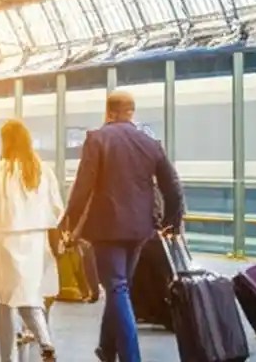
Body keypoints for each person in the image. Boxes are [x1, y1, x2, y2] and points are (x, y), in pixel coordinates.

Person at [60, 91, 183, 362]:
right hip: (141, 229)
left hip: (107, 228)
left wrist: (69, 222)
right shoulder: (150, 143)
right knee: (120, 286)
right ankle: (107, 348)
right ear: (132, 112)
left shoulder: (97, 138)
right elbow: (172, 187)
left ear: (109, 112)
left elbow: (83, 186)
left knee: (116, 287)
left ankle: (131, 357)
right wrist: (171, 221)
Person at [0, 120, 64, 362]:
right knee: (29, 295)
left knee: (5, 303)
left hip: (7, 240)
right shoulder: (41, 170)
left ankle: (11, 356)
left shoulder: (3, 171)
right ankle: (44, 342)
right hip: (36, 241)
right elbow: (57, 208)